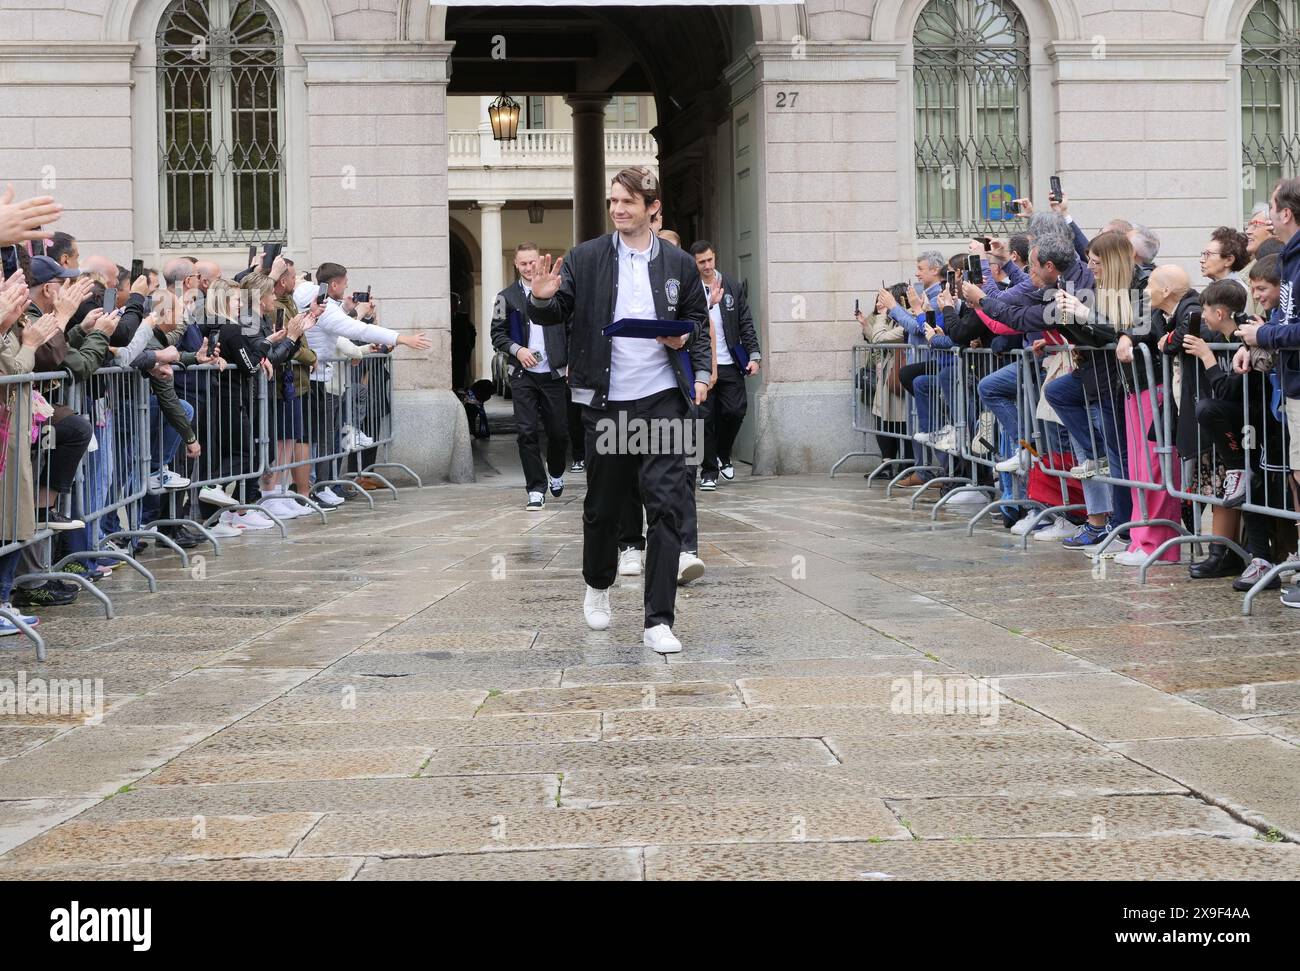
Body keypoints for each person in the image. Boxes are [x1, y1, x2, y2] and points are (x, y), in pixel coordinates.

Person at [524, 166, 709, 655]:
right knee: (603, 509)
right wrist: (540, 301)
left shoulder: (678, 263)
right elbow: (554, 308)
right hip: (606, 405)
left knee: (666, 507)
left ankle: (658, 621)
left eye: (628, 202)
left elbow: (697, 322)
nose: (618, 209)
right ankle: (598, 584)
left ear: (652, 208)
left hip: (663, 400)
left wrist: (697, 360)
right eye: (612, 202)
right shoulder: (586, 258)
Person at [1236, 177, 1300, 606]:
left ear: (1286, 213)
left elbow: (1290, 328)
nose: (1265, 218)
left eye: (1271, 210)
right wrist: (1256, 343)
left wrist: (1264, 336)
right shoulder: (1289, 258)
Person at [490, 242, 569, 510]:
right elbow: (496, 334)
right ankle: (535, 488)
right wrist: (518, 349)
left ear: (540, 261)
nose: (528, 268)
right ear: (515, 264)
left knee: (558, 432)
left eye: (532, 262)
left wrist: (570, 361)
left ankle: (556, 470)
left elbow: (571, 328)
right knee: (526, 432)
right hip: (522, 373)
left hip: (555, 372)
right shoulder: (505, 297)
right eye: (522, 263)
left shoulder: (558, 292)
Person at [690, 240, 760, 490]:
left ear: (714, 257)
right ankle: (709, 470)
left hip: (730, 361)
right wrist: (709, 304)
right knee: (704, 418)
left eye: (710, 260)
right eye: (702, 262)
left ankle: (722, 453)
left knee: (735, 410)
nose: (707, 266)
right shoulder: (691, 287)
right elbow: (690, 322)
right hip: (703, 362)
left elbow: (745, 322)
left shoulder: (731, 285)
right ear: (695, 263)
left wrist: (754, 355)